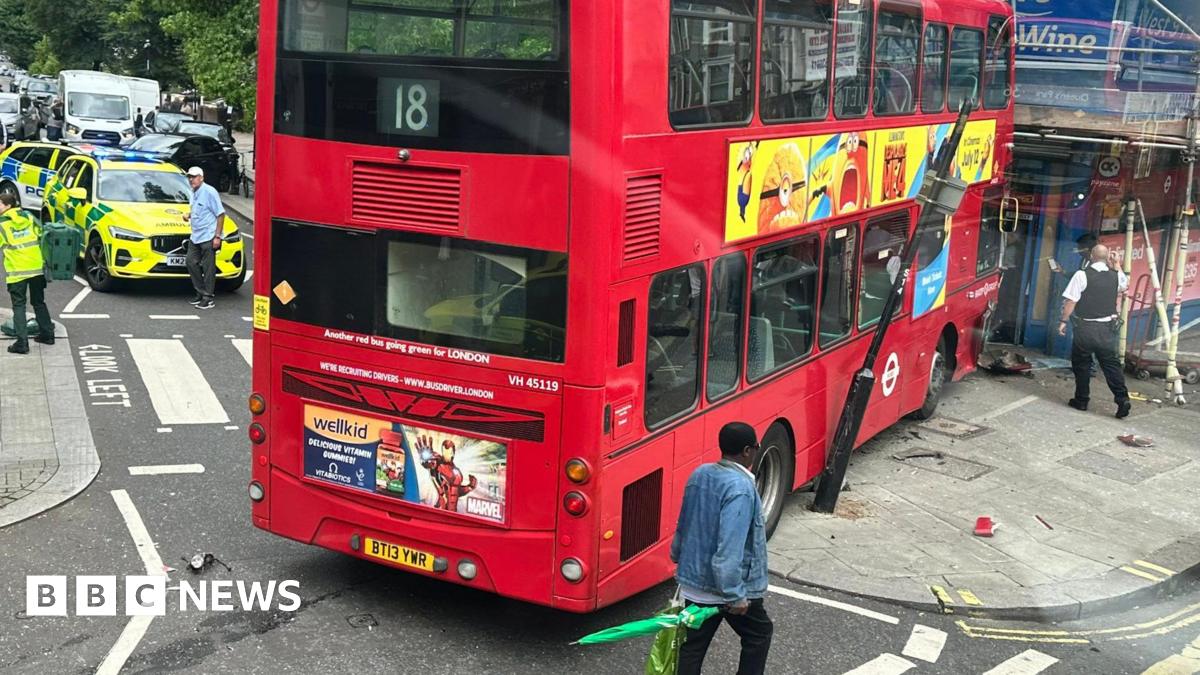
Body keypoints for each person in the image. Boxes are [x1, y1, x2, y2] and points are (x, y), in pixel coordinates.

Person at [671, 422, 772, 675]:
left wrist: (677, 556)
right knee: (759, 634)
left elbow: (684, 523)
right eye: (757, 447)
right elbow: (729, 549)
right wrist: (735, 594)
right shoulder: (740, 489)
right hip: (722, 589)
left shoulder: (701, 473)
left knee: (692, 646)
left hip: (694, 583)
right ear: (748, 450)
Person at [1059, 243, 1131, 418]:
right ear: (1107, 257)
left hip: (1085, 327)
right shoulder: (1115, 276)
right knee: (1111, 365)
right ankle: (1122, 399)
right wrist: (1117, 264)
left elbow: (1071, 301)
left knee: (1082, 364)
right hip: (1107, 328)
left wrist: (1063, 321)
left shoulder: (1082, 275)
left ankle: (1082, 400)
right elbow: (1124, 285)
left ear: (1091, 256)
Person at [0, 193, 54, 353]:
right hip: (36, 267)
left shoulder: (2, 225)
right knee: (39, 301)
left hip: (17, 272)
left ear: (8, 206)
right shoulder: (29, 217)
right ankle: (47, 335)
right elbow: (42, 234)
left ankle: (22, 343)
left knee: (19, 306)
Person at [182, 166, 224, 310]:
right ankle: (200, 292)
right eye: (189, 177)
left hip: (208, 235)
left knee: (208, 268)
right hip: (196, 235)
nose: (191, 180)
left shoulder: (210, 192)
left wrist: (217, 236)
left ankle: (208, 297)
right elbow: (199, 210)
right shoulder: (193, 192)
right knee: (190, 262)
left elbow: (220, 214)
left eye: (194, 177)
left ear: (202, 177)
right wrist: (189, 215)